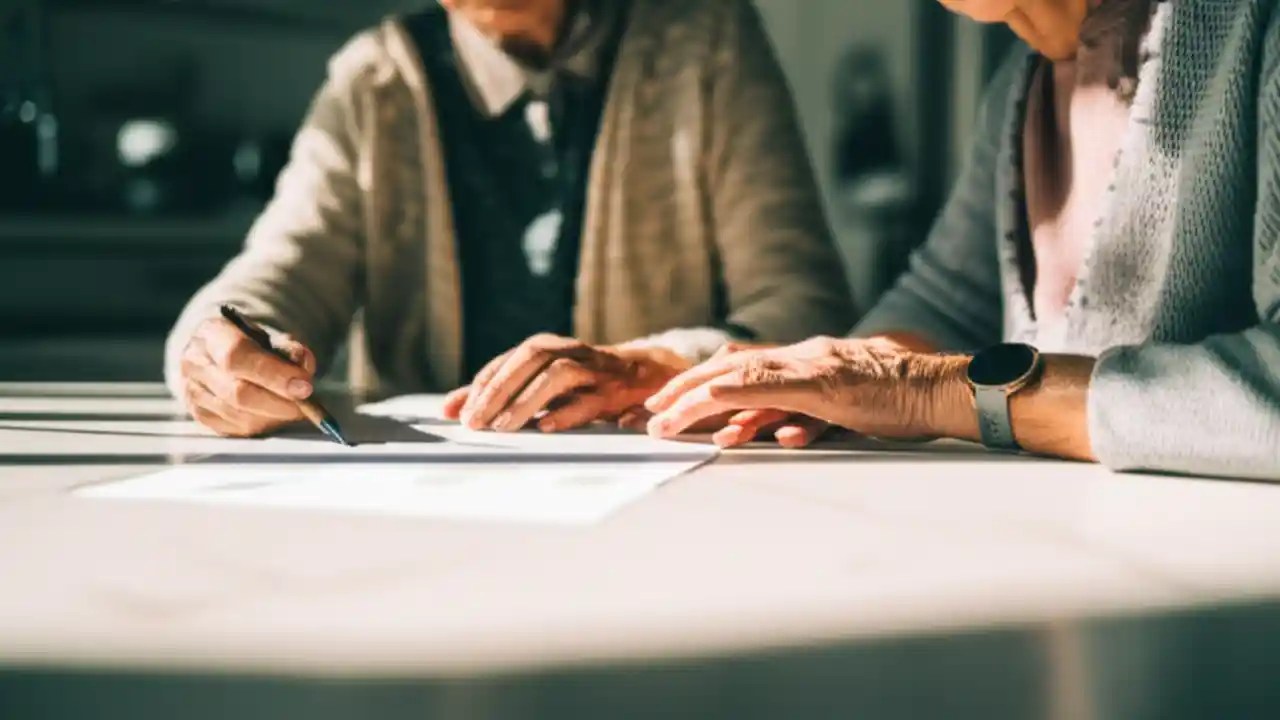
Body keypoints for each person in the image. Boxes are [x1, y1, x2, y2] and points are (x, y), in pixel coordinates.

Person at [646, 0, 1280, 481]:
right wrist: (701, 377)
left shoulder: (1257, 28)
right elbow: (945, 306)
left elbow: (924, 380)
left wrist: (938, 392)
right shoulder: (1020, 78)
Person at [166, 0, 853, 438]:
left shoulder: (707, 42)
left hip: (663, 492)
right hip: (423, 508)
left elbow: (807, 308)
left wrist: (651, 365)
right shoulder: (373, 81)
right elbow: (277, 273)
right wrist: (217, 353)